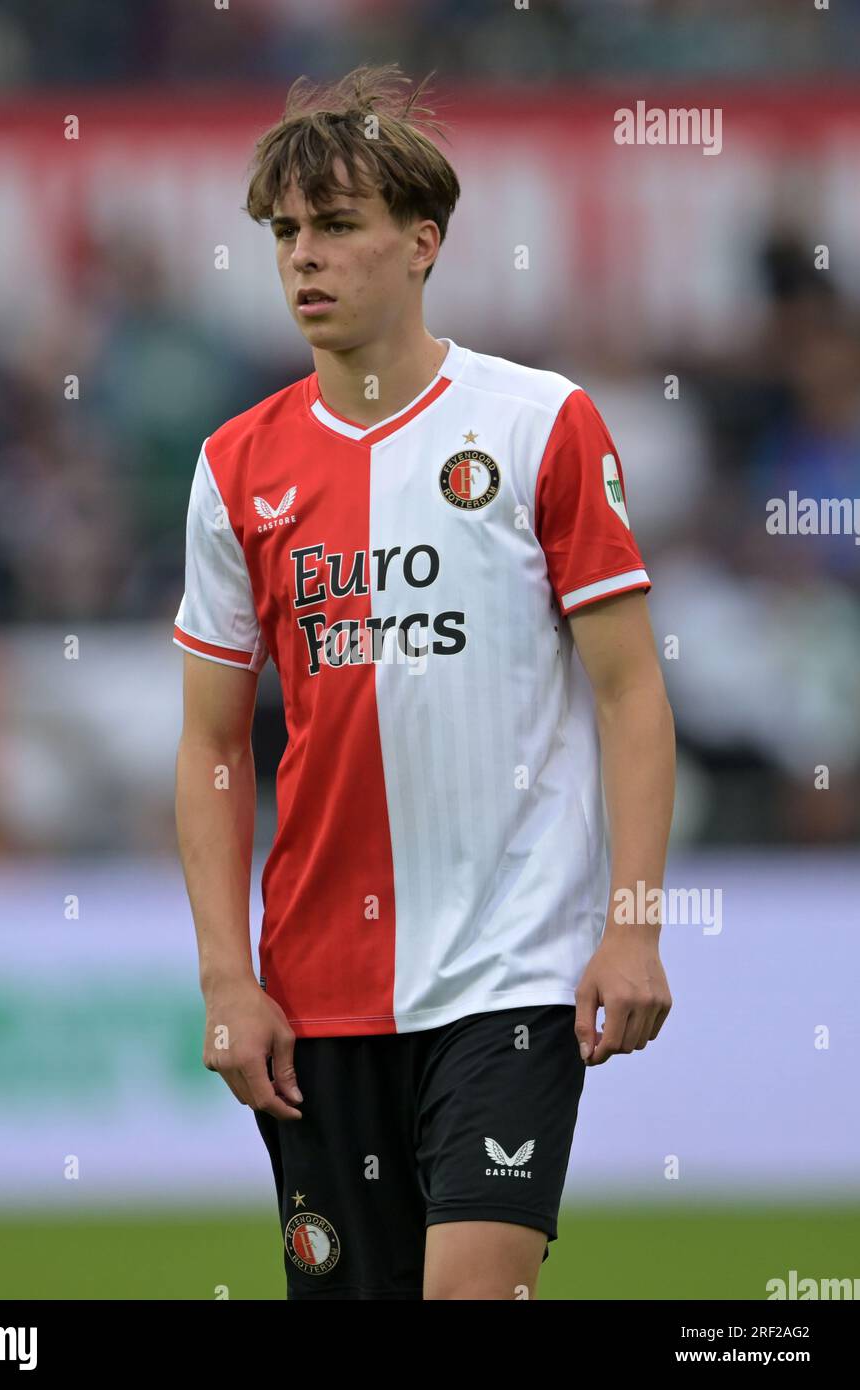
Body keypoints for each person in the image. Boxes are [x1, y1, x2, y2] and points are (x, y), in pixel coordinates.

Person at [173, 63, 675, 1301]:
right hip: (316, 986)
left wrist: (634, 924)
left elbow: (627, 693)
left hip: (510, 963)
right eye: (284, 232)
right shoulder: (235, 467)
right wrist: (227, 976)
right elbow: (212, 746)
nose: (303, 258)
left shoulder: (537, 425)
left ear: (421, 242)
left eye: (336, 226)